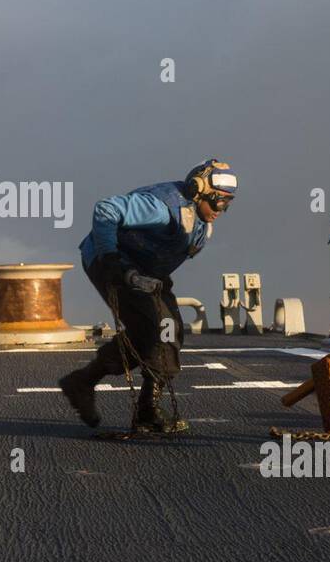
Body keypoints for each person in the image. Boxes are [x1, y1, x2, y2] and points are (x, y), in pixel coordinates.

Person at [59, 159, 238, 435]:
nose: (221, 209)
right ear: (197, 191)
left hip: (148, 273)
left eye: (227, 203)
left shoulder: (201, 223)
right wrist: (110, 258)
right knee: (156, 331)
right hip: (113, 264)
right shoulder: (162, 208)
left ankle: (86, 382)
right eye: (217, 201)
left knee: (168, 331)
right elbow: (106, 209)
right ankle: (145, 410)